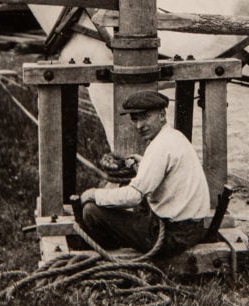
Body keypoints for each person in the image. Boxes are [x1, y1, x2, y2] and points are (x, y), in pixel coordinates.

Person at [79, 90, 210, 257]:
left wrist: (94, 194)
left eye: (145, 117)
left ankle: (111, 252)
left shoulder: (159, 148)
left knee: (91, 211)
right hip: (193, 228)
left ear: (162, 115)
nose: (139, 126)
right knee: (127, 205)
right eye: (135, 119)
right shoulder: (174, 137)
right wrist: (144, 165)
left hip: (172, 237)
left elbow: (134, 196)